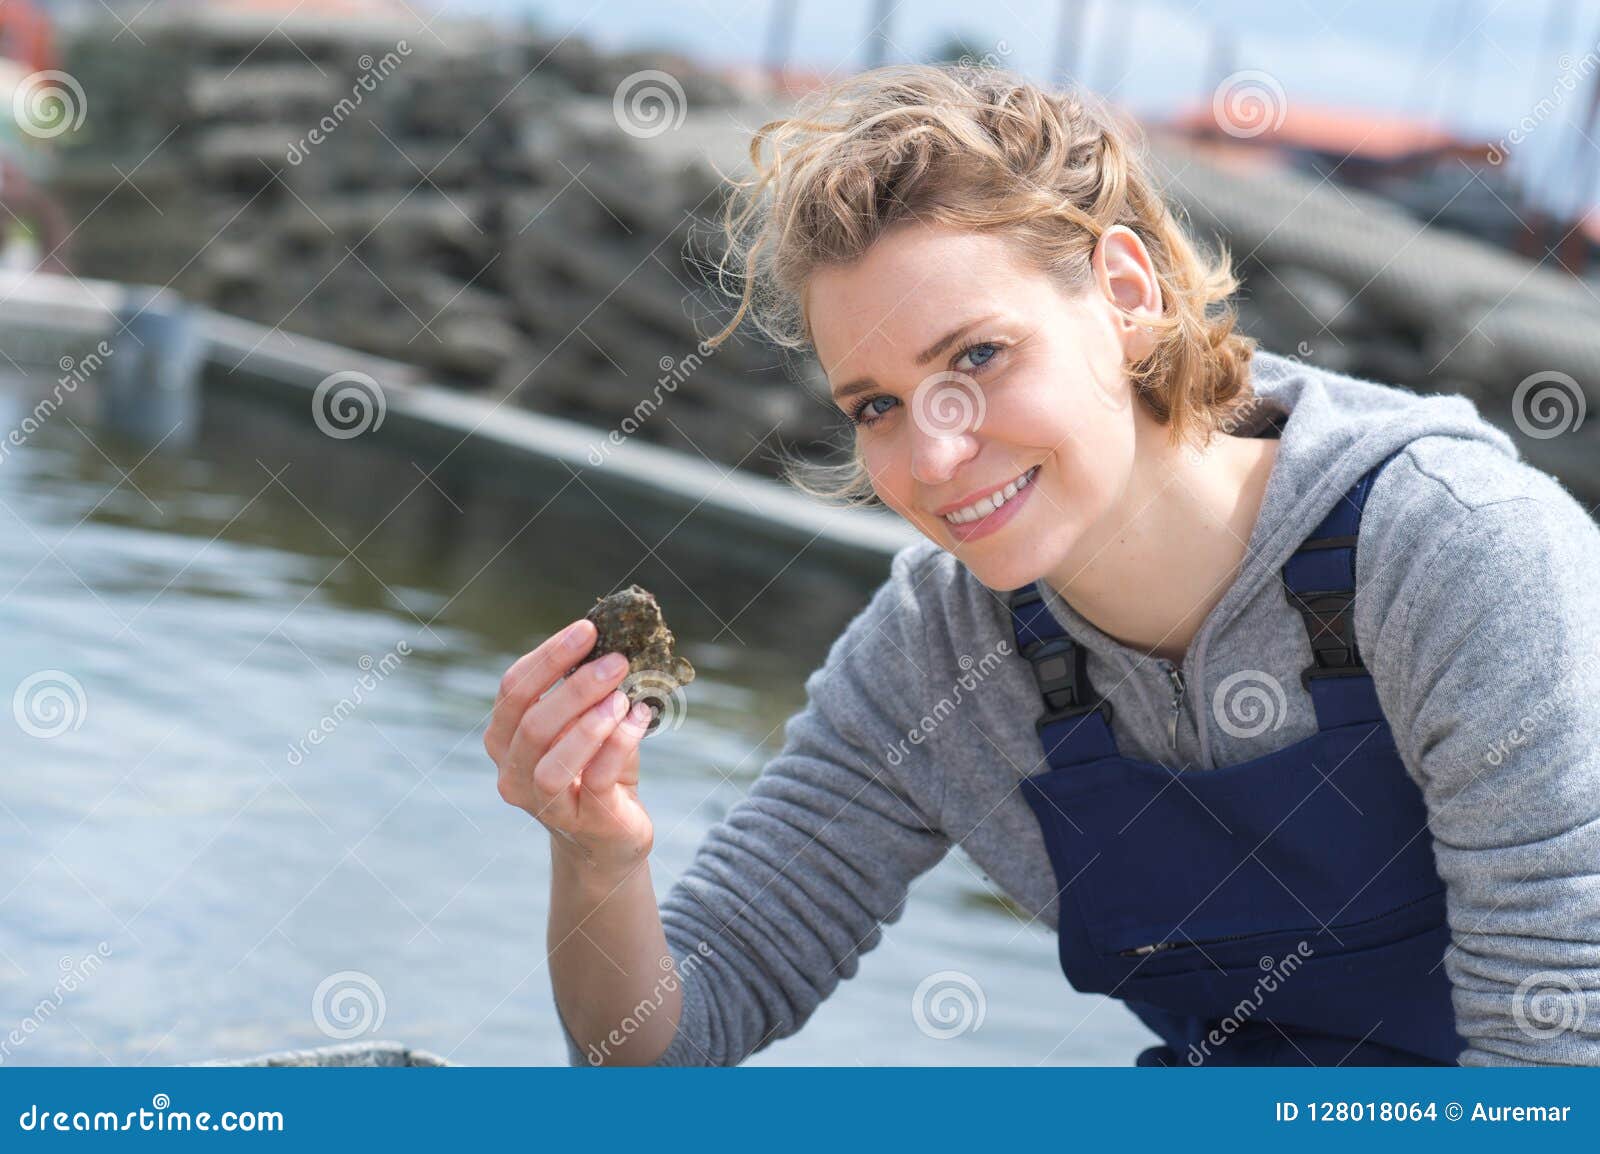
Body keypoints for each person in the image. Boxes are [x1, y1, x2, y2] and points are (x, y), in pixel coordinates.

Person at [485, 64, 1600, 1066]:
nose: (932, 454)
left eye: (977, 354)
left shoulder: (1458, 555)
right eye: (875, 404)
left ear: (1124, 293)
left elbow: (1552, 1065)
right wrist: (596, 857)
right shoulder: (939, 651)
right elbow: (664, 1053)